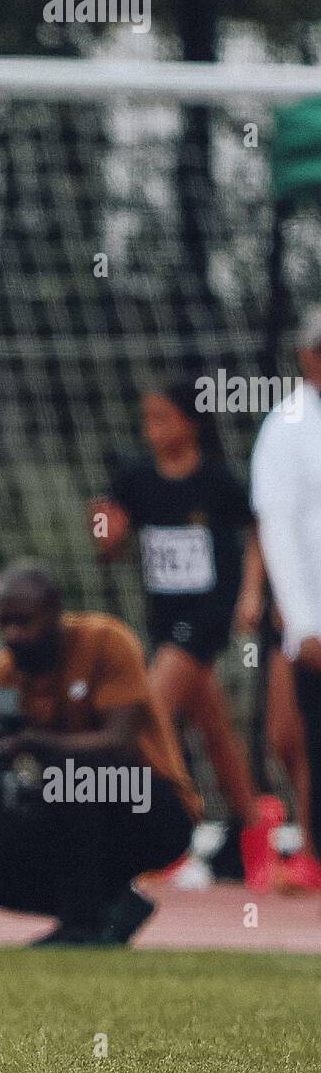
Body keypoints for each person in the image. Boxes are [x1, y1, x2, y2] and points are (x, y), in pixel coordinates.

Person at [0, 561, 200, 947]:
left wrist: (31, 742)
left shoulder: (106, 641)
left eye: (24, 622)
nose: (13, 635)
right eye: (5, 623)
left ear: (54, 613)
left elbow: (120, 743)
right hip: (68, 816)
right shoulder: (4, 671)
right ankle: (107, 906)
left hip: (148, 806)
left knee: (68, 774)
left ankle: (82, 926)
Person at [88, 380, 281, 890]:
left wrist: (251, 594)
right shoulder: (136, 478)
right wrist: (104, 533)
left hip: (208, 612)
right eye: (148, 420)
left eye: (164, 419)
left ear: (191, 423)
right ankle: (254, 830)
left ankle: (172, 839)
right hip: (164, 616)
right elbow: (111, 542)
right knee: (214, 728)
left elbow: (258, 529)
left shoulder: (217, 482)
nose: (154, 431)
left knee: (150, 713)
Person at [250, 307, 321, 880]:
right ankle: (313, 848)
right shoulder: (288, 426)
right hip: (312, 617)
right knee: (300, 733)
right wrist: (302, 624)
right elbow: (277, 525)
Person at [235, 535, 321, 892]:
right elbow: (267, 524)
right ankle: (309, 845)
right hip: (296, 613)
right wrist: (254, 589)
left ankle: (311, 853)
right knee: (285, 736)